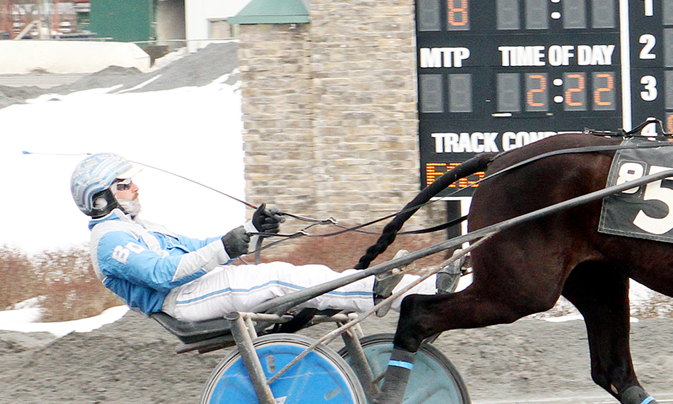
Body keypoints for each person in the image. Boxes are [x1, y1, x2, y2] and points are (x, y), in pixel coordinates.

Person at [71, 152, 428, 323]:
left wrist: (251, 230)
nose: (134, 186)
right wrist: (224, 248)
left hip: (201, 285)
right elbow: (164, 274)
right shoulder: (109, 242)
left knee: (302, 273)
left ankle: (415, 287)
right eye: (124, 184)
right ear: (101, 198)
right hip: (182, 299)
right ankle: (403, 295)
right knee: (279, 280)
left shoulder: (139, 227)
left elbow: (194, 249)